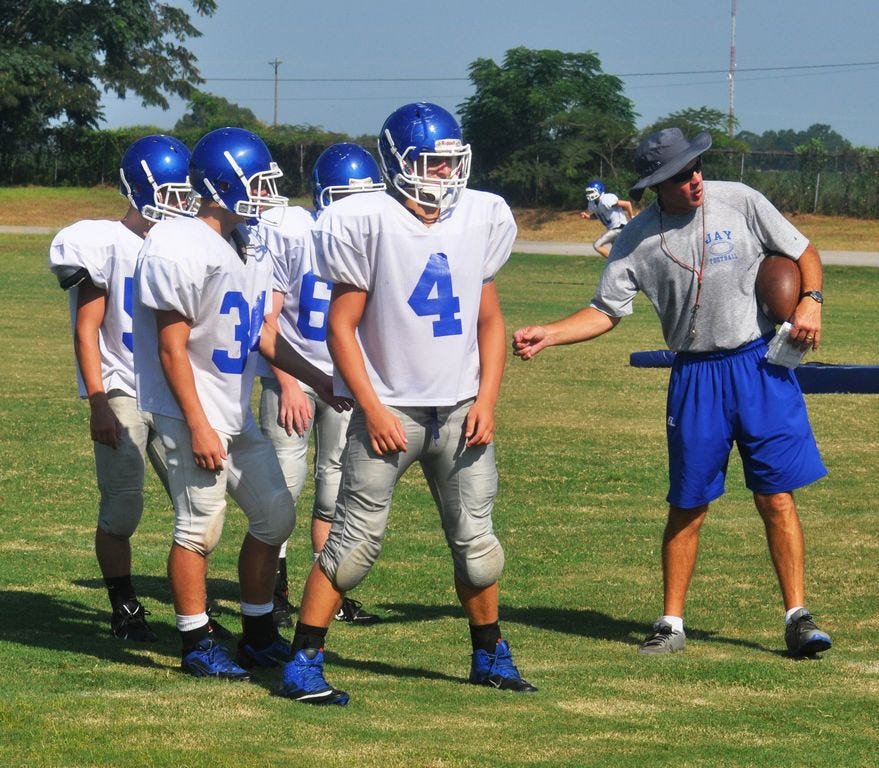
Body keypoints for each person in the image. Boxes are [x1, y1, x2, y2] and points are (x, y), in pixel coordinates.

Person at [512, 127, 832, 658]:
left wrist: (811, 300)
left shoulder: (740, 200)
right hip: (697, 376)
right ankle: (671, 624)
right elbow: (605, 311)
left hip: (760, 366)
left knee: (776, 496)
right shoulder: (636, 240)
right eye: (682, 175)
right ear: (658, 184)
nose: (695, 180)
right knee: (688, 503)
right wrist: (550, 332)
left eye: (696, 168)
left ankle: (798, 618)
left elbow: (803, 252)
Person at [279, 102, 537, 705]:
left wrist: (488, 398)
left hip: (461, 409)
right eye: (432, 162)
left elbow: (490, 321)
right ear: (398, 161)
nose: (445, 173)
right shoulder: (366, 219)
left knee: (478, 546)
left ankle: (489, 654)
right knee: (352, 546)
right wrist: (371, 408)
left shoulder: (480, 216)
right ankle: (303, 662)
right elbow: (341, 328)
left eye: (451, 161)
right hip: (390, 409)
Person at [133, 126, 348, 680]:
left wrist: (319, 379)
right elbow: (171, 348)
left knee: (275, 516)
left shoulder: (248, 242)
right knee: (198, 527)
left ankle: (257, 632)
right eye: (256, 182)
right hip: (191, 411)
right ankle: (196, 641)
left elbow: (262, 333)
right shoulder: (179, 242)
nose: (265, 193)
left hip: (232, 409)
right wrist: (199, 425)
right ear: (221, 184)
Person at [48, 134, 195, 642]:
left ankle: (193, 611)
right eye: (171, 192)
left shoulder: (185, 244)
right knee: (123, 506)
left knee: (196, 504)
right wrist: (98, 401)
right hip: (122, 389)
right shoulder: (104, 242)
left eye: (185, 193)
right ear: (140, 189)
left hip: (172, 390)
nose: (180, 203)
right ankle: (124, 605)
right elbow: (87, 329)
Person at [256, 142, 384, 628]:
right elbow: (268, 320)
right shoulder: (293, 234)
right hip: (294, 376)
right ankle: (274, 589)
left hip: (346, 380)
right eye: (347, 197)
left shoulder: (376, 241)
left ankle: (328, 587)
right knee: (284, 485)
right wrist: (288, 384)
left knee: (336, 485)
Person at [580, 179, 635, 258]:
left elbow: (627, 204)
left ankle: (612, 261)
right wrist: (588, 216)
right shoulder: (592, 203)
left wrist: (632, 216)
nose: (589, 194)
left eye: (591, 192)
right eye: (588, 192)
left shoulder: (606, 199)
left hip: (619, 228)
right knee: (621, 253)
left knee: (597, 245)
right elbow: (599, 215)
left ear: (599, 190)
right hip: (612, 230)